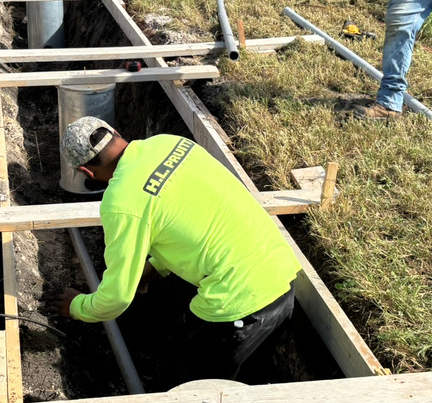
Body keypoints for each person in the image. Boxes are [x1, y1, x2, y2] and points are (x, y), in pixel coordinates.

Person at [56, 117, 300, 386]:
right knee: (250, 385)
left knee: (184, 385)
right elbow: (189, 218)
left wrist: (78, 306)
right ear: (116, 132)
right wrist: (154, 269)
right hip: (281, 278)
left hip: (235, 306)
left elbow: (115, 299)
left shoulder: (121, 200)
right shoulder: (171, 143)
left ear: (87, 173)